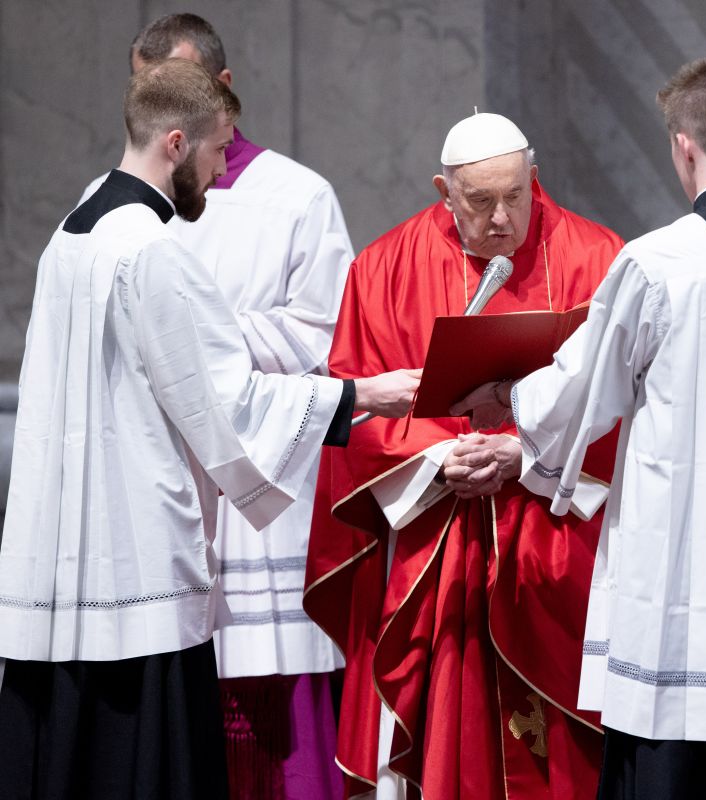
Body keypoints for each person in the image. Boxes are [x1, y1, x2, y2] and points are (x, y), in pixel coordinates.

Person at [0, 59, 418, 799]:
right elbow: (228, 402)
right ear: (173, 143)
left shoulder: (73, 233)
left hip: (63, 558)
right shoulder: (153, 252)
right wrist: (361, 398)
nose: (225, 167)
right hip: (136, 572)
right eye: (218, 149)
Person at [452, 56, 706, 800]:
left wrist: (511, 395)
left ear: (682, 144)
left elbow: (581, 392)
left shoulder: (658, 264)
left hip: (687, 584)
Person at [302, 112, 624, 798]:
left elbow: (630, 406)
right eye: (480, 202)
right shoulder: (383, 269)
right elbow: (350, 411)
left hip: (559, 548)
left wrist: (520, 451)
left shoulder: (599, 259)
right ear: (443, 192)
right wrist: (436, 458)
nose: (504, 218)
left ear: (534, 178)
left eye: (518, 195)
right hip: (435, 547)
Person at [83, 15, 354, 797]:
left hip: (259, 486)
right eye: (143, 90)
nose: (155, 108)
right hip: (158, 498)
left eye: (173, 89)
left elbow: (320, 332)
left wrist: (198, 337)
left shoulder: (298, 196)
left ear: (222, 95)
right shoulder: (111, 209)